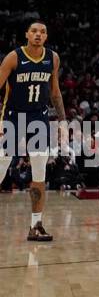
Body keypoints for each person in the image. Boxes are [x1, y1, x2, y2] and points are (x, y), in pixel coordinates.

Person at [0, 22, 66, 241]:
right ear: (27, 35)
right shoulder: (13, 57)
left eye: (43, 31)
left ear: (46, 37)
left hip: (38, 117)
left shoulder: (52, 58)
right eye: (34, 31)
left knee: (40, 172)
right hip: (13, 116)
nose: (38, 34)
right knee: (1, 166)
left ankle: (36, 225)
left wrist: (63, 121)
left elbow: (55, 93)